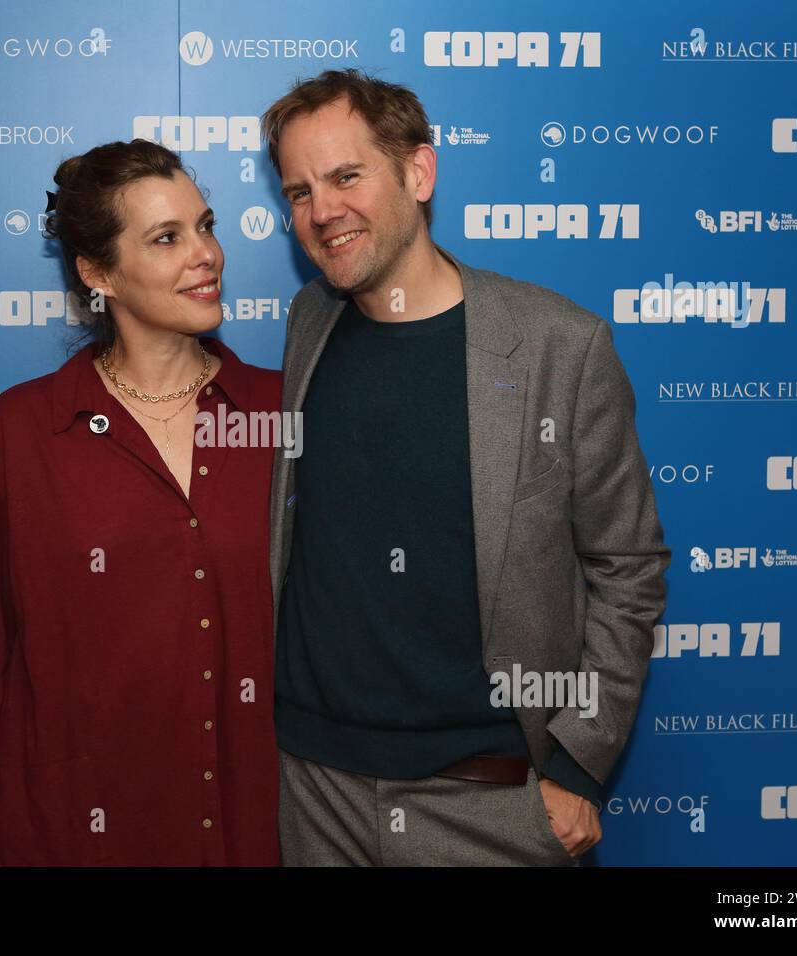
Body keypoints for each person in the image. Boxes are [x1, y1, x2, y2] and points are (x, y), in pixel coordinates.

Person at [260, 69, 671, 866]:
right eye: (299, 191)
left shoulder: (560, 343)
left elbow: (629, 567)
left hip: (493, 798)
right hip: (314, 791)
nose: (322, 211)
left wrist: (579, 758)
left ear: (419, 171)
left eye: (347, 176)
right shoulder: (309, 321)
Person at [0, 138, 282, 866]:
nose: (204, 254)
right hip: (72, 840)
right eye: (167, 238)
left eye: (206, 226)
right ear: (96, 271)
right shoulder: (19, 435)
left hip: (259, 836)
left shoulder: (280, 413)